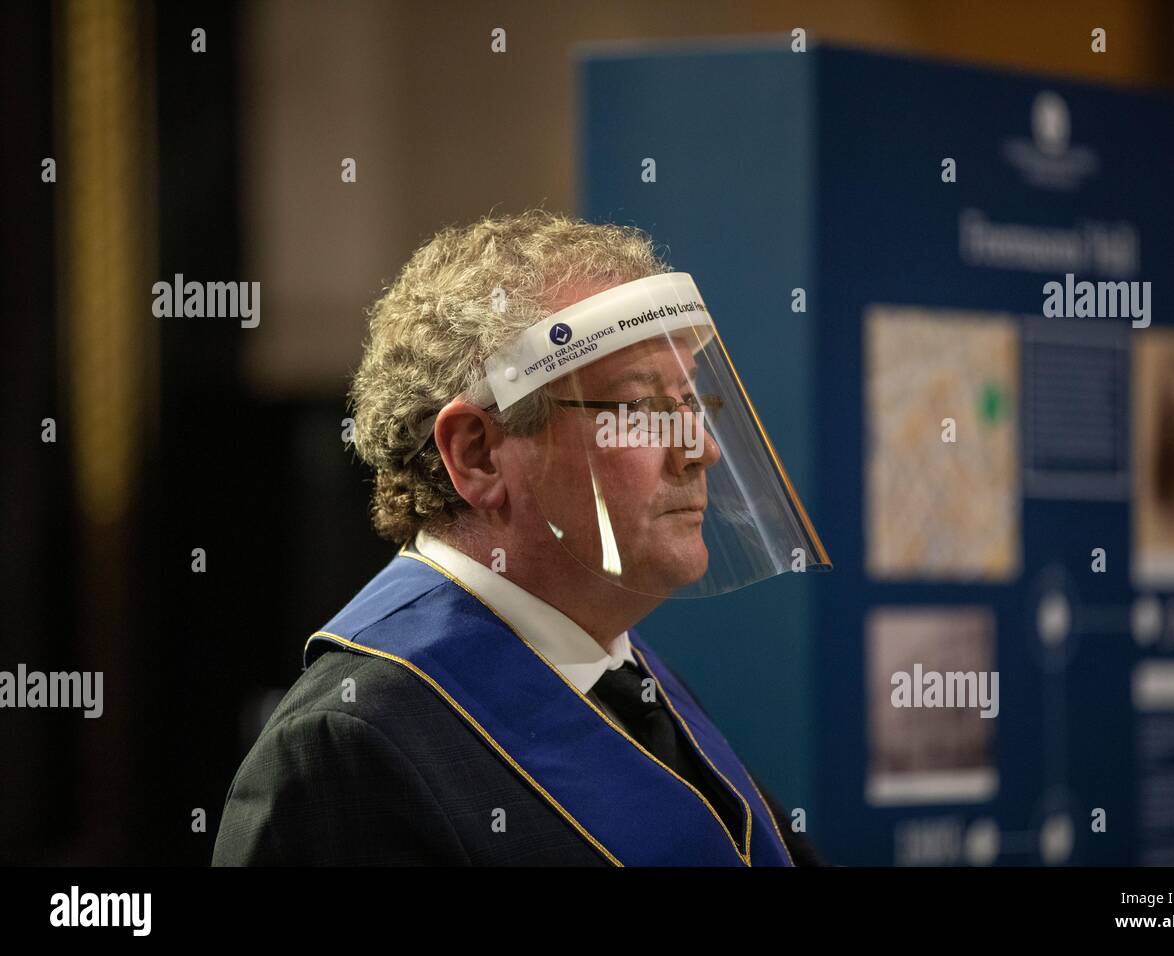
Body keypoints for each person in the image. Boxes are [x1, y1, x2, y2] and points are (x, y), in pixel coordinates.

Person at [212, 208, 831, 866]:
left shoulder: (620, 673)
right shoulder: (348, 743)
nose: (699, 449)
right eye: (638, 408)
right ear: (477, 454)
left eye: (689, 405)